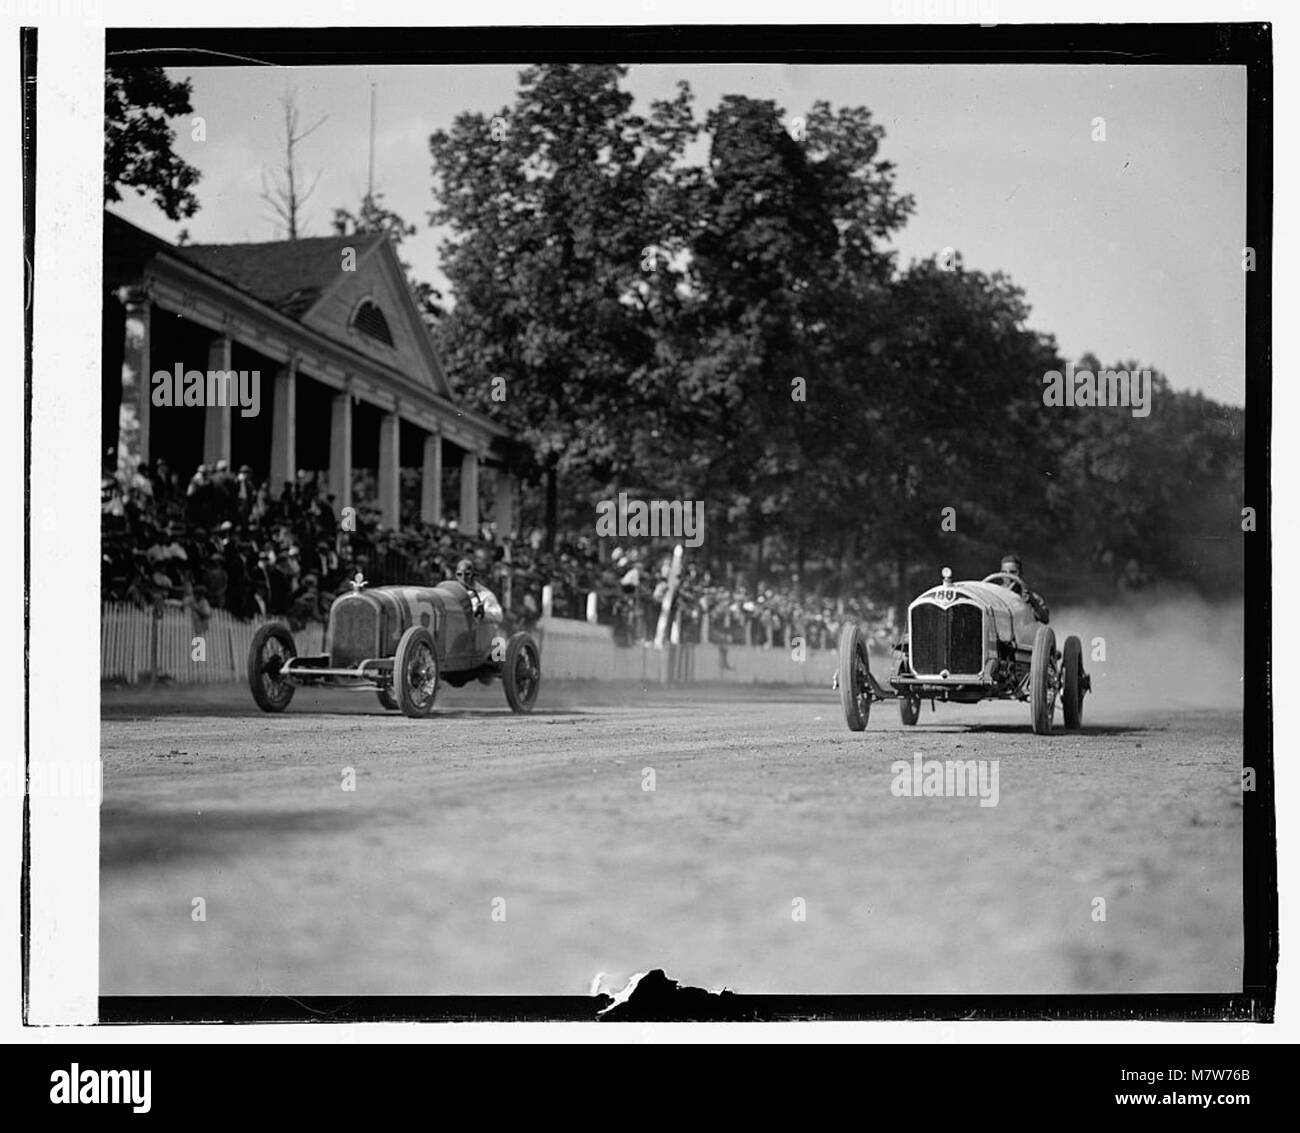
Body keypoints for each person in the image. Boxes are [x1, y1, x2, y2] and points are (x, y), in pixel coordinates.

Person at [996, 553, 1049, 623]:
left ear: (1021, 573)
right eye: (1004, 572)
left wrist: (1033, 602)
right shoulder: (994, 593)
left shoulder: (1031, 597)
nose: (1008, 576)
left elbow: (1045, 619)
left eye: (1013, 572)